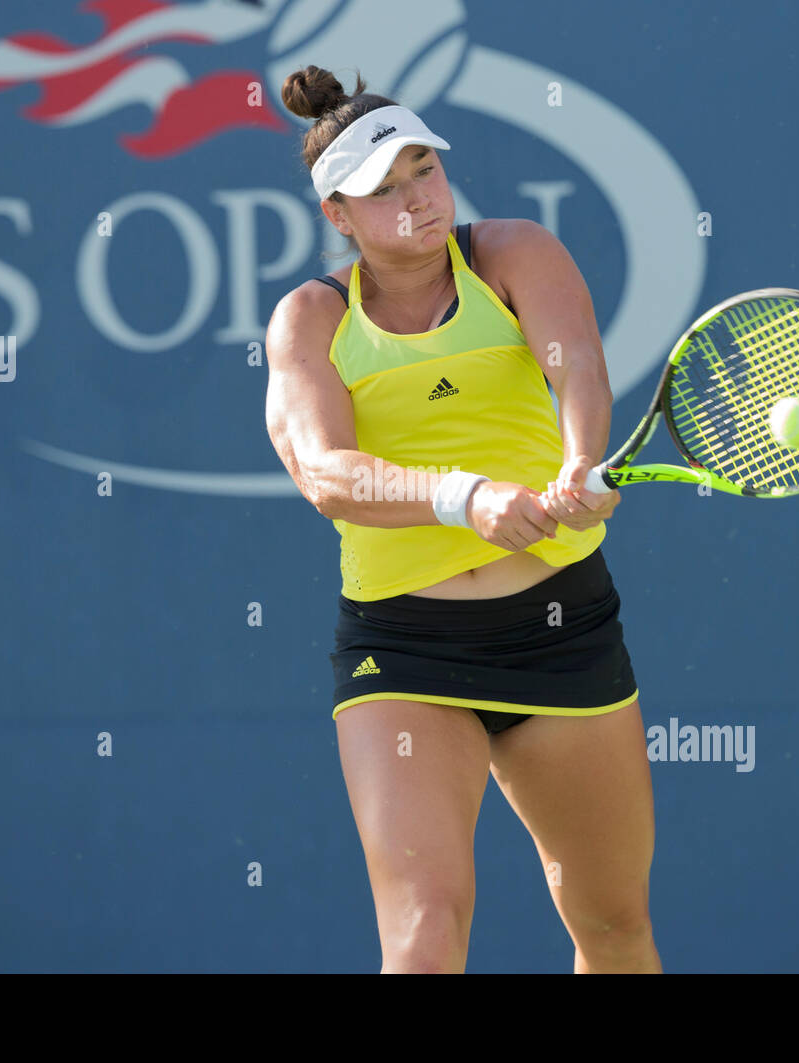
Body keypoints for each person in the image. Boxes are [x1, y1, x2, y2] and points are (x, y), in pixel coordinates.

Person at [264, 65, 660, 974]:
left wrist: (577, 465)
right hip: (404, 650)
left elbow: (577, 370)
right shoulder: (310, 320)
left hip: (562, 629)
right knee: (423, 928)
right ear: (339, 217)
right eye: (383, 190)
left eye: (424, 171)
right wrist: (467, 496)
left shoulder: (516, 253)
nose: (418, 201)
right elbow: (325, 474)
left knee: (611, 923)